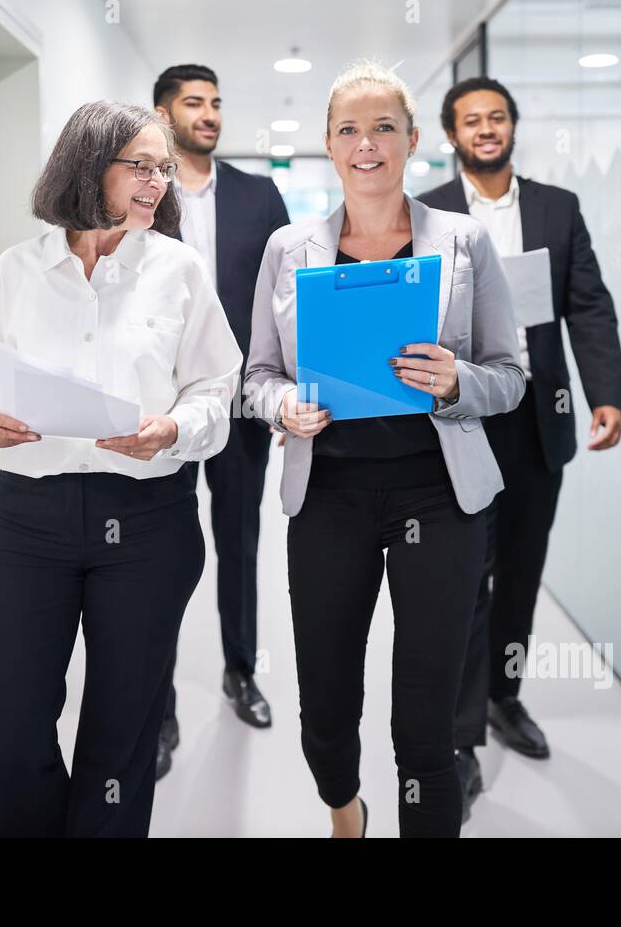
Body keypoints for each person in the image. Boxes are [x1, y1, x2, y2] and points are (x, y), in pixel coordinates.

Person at [244, 61, 526, 837]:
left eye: (382, 128)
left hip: (440, 499)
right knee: (327, 706)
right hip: (328, 499)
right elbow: (256, 377)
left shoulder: (462, 243)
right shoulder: (287, 249)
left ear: (410, 141)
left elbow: (512, 376)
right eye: (348, 129)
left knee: (427, 724)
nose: (365, 143)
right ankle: (346, 809)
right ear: (329, 146)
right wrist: (284, 407)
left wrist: (455, 381)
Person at [0, 99, 241, 837]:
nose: (157, 183)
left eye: (164, 169)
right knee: (8, 731)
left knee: (121, 740)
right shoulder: (16, 271)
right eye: (140, 166)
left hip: (146, 523)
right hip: (27, 521)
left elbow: (217, 386)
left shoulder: (178, 270)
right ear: (87, 165)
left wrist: (173, 428)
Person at [417, 77, 621, 814]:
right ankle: (459, 735)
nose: (485, 129)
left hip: (538, 418)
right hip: (462, 418)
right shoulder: (428, 213)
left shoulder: (555, 208)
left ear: (511, 127)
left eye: (496, 117)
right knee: (466, 576)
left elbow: (588, 305)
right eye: (471, 120)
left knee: (522, 574)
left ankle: (506, 698)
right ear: (451, 134)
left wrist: (605, 393)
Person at [150, 64, 291, 778]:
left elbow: (285, 299)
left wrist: (282, 390)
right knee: (165, 558)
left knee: (238, 542)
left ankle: (241, 672)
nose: (208, 114)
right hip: (163, 409)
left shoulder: (260, 195)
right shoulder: (140, 189)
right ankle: (160, 706)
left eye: (215, 103)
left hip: (238, 402)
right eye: (193, 103)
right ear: (162, 112)